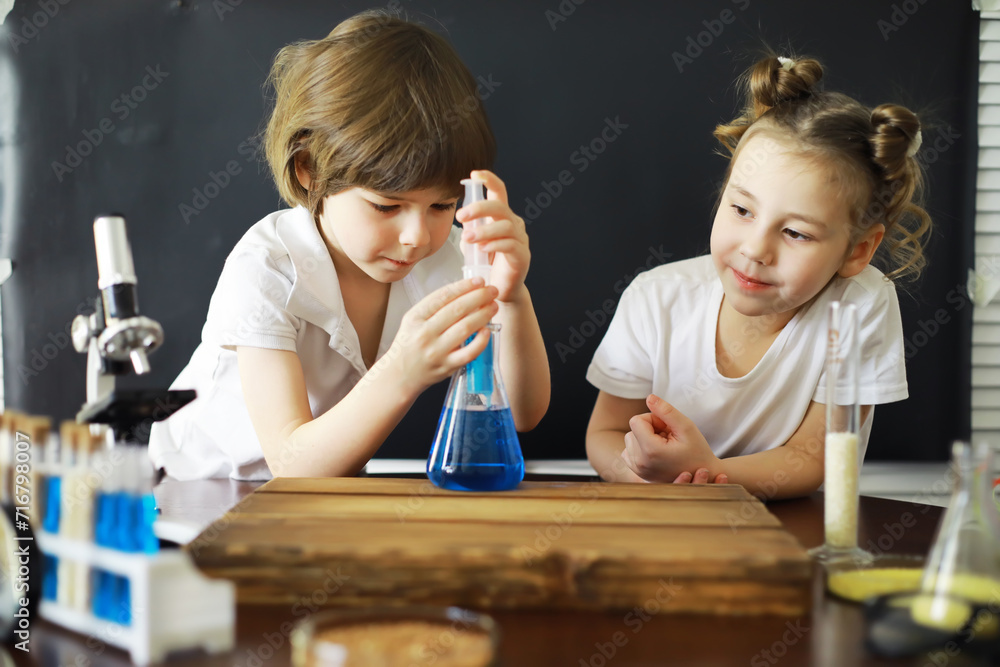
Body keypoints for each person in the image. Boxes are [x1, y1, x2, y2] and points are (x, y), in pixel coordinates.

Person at [149, 11, 550, 481]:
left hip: (319, 495)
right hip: (189, 490)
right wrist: (403, 370)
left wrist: (511, 296)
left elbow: (522, 414)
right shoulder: (269, 267)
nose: (417, 236)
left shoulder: (450, 257)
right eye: (385, 206)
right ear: (310, 170)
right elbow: (291, 465)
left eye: (442, 206)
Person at [585, 54, 931, 500]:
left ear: (858, 250)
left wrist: (706, 473)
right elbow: (606, 433)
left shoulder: (860, 305)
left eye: (795, 233)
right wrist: (652, 477)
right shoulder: (655, 298)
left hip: (792, 533)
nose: (755, 250)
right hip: (663, 515)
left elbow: (811, 458)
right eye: (742, 210)